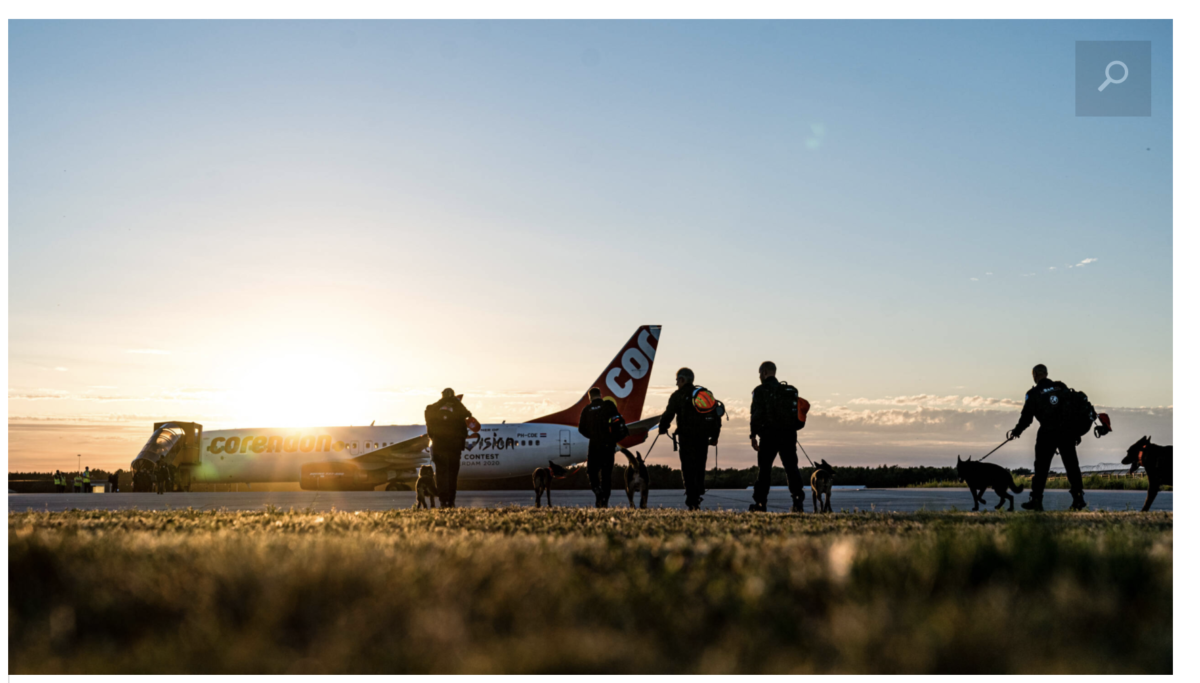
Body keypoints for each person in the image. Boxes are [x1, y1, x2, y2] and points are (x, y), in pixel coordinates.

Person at [1010, 364, 1087, 511]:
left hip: (1047, 433)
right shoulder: (1060, 387)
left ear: (1035, 375)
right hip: (1067, 432)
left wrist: (1016, 431)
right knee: (1072, 467)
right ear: (1046, 373)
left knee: (1041, 469)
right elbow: (1073, 409)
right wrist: (1076, 432)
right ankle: (1078, 498)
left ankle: (1036, 501)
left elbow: (1027, 418)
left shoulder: (1033, 393)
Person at [658, 367, 720, 511]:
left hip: (687, 439)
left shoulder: (678, 395)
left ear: (682, 379)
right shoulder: (703, 395)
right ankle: (697, 495)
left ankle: (692, 500)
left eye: (677, 381)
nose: (676, 384)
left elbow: (669, 414)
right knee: (699, 468)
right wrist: (715, 436)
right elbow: (716, 416)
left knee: (688, 469)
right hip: (703, 438)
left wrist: (663, 427)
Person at [748, 361, 806, 512]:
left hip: (768, 436)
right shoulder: (789, 390)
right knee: (791, 468)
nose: (760, 376)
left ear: (765, 372)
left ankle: (760, 504)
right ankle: (798, 501)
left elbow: (756, 415)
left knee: (764, 470)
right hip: (788, 435)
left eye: (760, 373)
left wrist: (753, 435)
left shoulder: (760, 391)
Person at [577, 386, 626, 508]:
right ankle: (604, 502)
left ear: (590, 397)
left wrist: (592, 435)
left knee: (592, 472)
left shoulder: (587, 410)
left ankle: (598, 491)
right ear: (600, 395)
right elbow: (618, 420)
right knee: (606, 475)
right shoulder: (609, 406)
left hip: (594, 446)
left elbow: (581, 429)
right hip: (608, 445)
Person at [424, 388, 473, 508]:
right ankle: (451, 501)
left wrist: (433, 437)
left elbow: (428, 416)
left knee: (441, 474)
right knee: (452, 474)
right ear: (453, 396)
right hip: (454, 447)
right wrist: (456, 401)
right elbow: (468, 414)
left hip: (439, 445)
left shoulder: (433, 408)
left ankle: (443, 501)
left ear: (442, 396)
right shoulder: (457, 407)